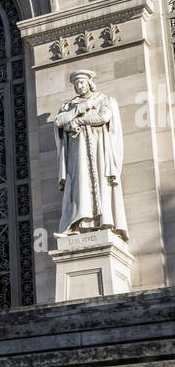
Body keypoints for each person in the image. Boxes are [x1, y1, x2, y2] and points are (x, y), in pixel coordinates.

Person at [55, 69, 128, 240]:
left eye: (82, 82)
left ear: (89, 83)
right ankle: (78, 224)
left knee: (101, 184)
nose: (80, 86)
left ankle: (104, 221)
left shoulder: (102, 99)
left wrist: (78, 120)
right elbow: (59, 121)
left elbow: (103, 116)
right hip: (77, 151)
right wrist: (80, 109)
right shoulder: (69, 105)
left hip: (98, 150)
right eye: (77, 84)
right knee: (79, 185)